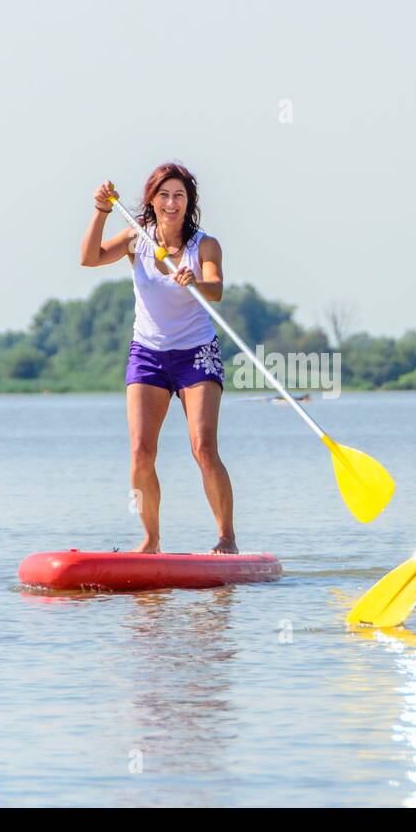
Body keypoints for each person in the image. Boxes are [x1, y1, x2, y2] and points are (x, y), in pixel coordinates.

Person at [79, 162, 237, 554]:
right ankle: (150, 541)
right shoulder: (138, 239)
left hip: (196, 354)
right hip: (148, 354)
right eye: (164, 195)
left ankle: (227, 539)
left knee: (203, 448)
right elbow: (90, 257)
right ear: (152, 200)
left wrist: (195, 279)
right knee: (140, 451)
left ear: (189, 202)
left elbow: (216, 288)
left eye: (179, 195)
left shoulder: (206, 245)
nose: (171, 202)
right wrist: (100, 211)